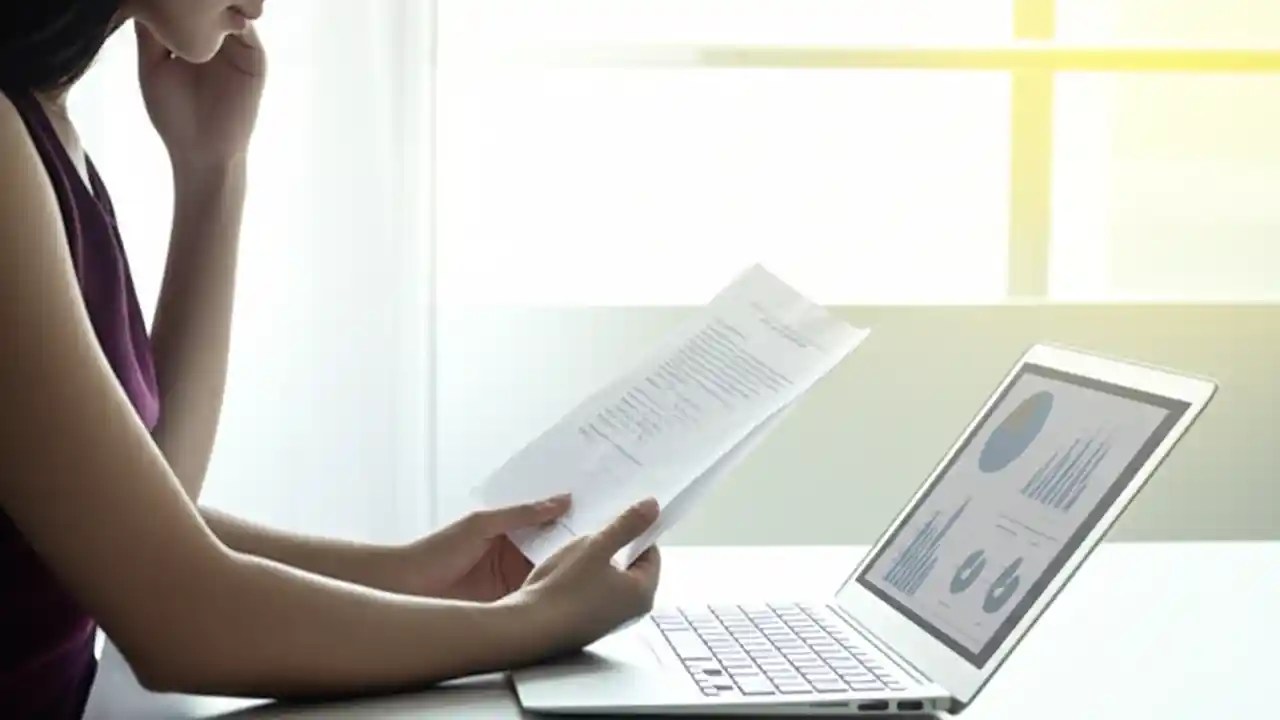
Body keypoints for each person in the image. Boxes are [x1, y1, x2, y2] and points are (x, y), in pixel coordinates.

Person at [0, 2, 662, 717]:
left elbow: (142, 510)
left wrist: (214, 171)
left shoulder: (38, 122)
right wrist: (533, 624)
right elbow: (171, 611)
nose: (258, 7)